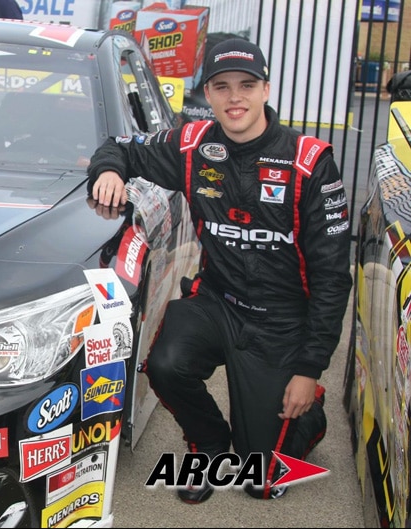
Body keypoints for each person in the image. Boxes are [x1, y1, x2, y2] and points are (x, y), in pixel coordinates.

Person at [86, 38, 352, 504]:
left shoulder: (310, 163)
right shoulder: (193, 144)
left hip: (282, 321)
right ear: (207, 94)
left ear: (265, 90)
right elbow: (120, 147)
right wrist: (108, 172)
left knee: (261, 481)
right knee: (166, 363)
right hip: (218, 301)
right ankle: (208, 443)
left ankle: (308, 410)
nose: (235, 98)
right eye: (222, 86)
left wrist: (309, 369)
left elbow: (333, 279)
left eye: (246, 85)